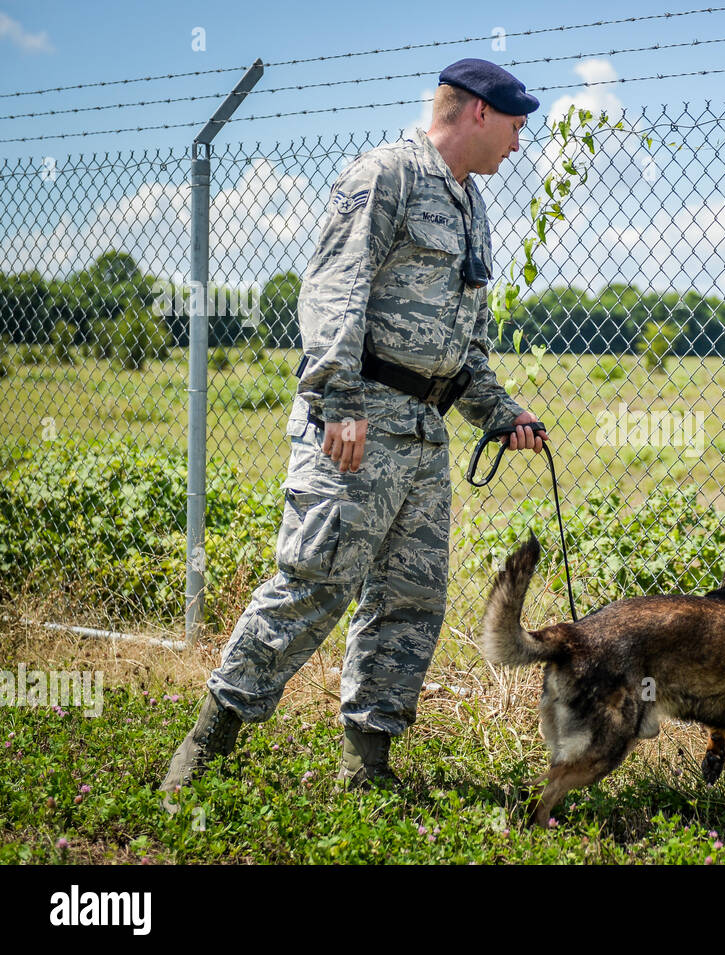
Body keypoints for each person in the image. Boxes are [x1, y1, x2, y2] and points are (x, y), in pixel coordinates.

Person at [160, 58, 546, 797]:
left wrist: (501, 413)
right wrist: (336, 398)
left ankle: (365, 768)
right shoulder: (384, 176)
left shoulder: (471, 204)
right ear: (476, 113)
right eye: (515, 126)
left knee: (409, 599)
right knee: (313, 581)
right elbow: (334, 290)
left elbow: (464, 347)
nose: (520, 145)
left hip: (423, 437)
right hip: (357, 422)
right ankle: (209, 739)